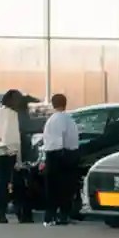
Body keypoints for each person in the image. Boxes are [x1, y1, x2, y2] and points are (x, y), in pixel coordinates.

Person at [41, 93, 80, 226]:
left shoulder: (53, 120)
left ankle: (50, 215)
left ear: (53, 104)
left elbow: (54, 141)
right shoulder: (69, 119)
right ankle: (63, 214)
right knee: (66, 187)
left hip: (55, 155)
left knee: (52, 188)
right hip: (68, 155)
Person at [0, 90, 23, 224]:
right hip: (11, 150)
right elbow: (15, 138)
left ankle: (1, 213)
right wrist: (19, 159)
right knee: (16, 181)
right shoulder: (13, 115)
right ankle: (19, 211)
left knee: (1, 182)